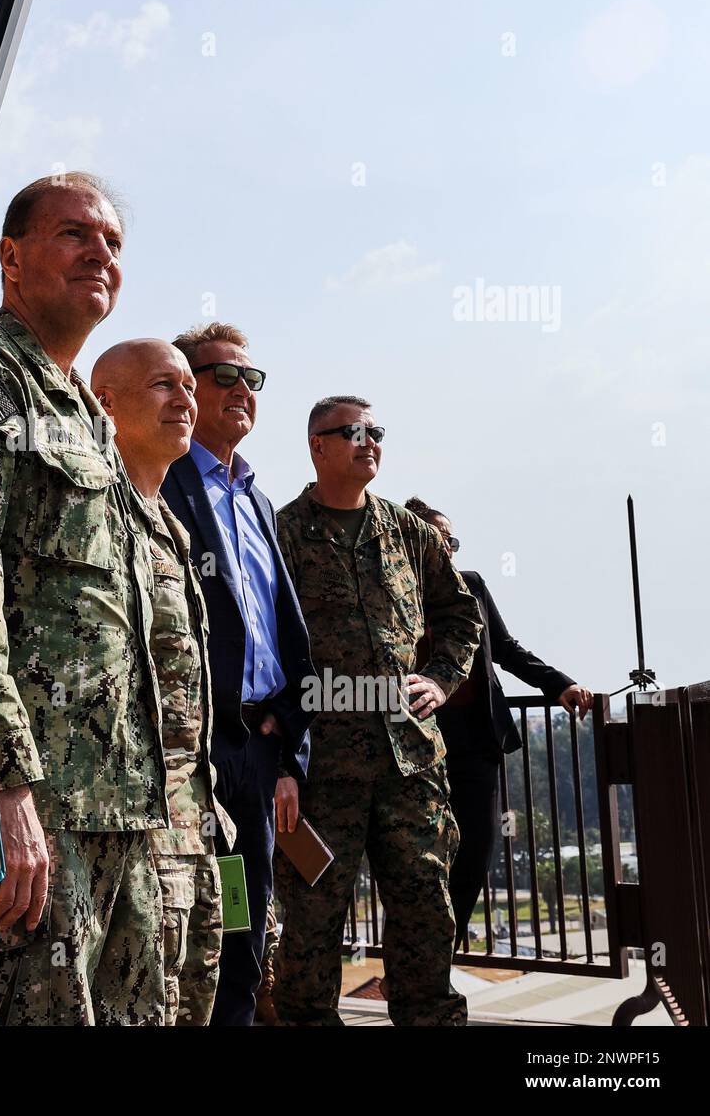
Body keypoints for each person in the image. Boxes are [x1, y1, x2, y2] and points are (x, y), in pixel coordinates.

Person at [0, 173, 169, 1026]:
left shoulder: (89, 413)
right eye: (75, 234)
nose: (100, 253)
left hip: (122, 800)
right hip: (41, 807)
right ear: (11, 258)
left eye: (113, 242)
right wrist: (6, 785)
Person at [270, 396, 482, 1026]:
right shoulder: (282, 533)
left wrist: (441, 680)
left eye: (375, 432)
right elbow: (260, 641)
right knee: (310, 927)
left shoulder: (408, 532)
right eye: (351, 432)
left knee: (425, 913)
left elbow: (459, 613)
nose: (368, 442)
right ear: (317, 446)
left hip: (410, 764)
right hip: (319, 770)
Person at [161, 322, 317, 1026]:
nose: (242, 390)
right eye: (225, 375)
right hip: (198, 751)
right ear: (188, 385)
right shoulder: (162, 480)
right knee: (206, 937)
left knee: (245, 932)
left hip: (258, 752)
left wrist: (288, 754)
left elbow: (282, 633)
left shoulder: (255, 497)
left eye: (252, 379)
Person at [91, 337, 237, 1025]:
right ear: (104, 402)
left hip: (196, 822)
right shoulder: (94, 512)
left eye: (187, 386)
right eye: (162, 386)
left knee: (197, 1001)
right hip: (134, 834)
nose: (185, 400)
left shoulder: (171, 524)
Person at [403, 496, 594, 950]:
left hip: (477, 739)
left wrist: (559, 684)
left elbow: (506, 650)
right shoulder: (395, 594)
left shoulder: (472, 587)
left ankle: (438, 955)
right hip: (418, 744)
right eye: (438, 539)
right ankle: (412, 957)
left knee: (475, 852)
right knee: (420, 858)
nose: (448, 548)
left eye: (452, 540)